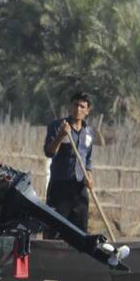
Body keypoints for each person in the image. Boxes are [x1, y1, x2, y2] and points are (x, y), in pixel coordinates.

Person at [42, 91, 96, 237]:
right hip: (60, 186)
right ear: (70, 107)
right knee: (53, 229)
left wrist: (89, 177)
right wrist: (61, 135)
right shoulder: (57, 126)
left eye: (82, 106)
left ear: (87, 110)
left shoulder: (89, 133)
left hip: (79, 189)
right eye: (75, 105)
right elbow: (49, 152)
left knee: (80, 233)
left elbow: (88, 160)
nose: (78, 109)